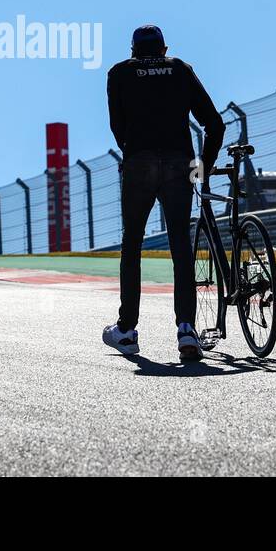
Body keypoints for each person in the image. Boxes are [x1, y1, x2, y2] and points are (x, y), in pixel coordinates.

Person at [102, 25, 225, 361]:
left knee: (132, 243)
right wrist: (204, 166)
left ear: (132, 50)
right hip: (178, 163)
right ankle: (187, 330)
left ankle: (126, 330)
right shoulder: (181, 69)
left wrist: (132, 152)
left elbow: (118, 126)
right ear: (164, 48)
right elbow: (215, 124)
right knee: (180, 246)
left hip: (139, 162)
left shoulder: (119, 73)